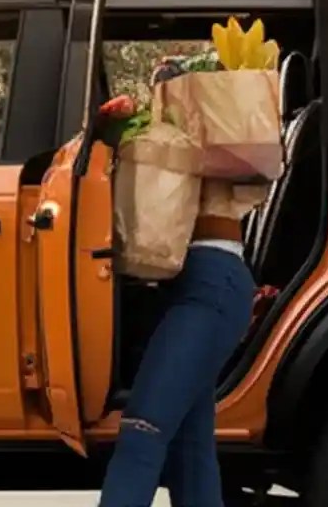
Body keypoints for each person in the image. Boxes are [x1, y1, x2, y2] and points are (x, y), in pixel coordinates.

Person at [98, 205, 257, 506]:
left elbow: (263, 162)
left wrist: (173, 156)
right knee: (191, 450)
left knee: (143, 430)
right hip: (169, 283)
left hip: (211, 280)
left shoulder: (193, 157)